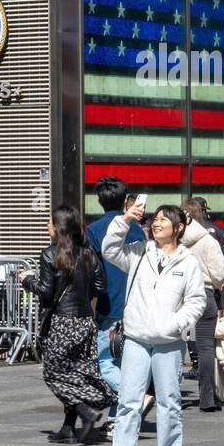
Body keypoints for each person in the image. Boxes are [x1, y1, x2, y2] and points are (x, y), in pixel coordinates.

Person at [101, 203, 206, 446]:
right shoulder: (139, 252)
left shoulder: (188, 261)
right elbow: (109, 250)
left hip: (169, 341)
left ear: (179, 228)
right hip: (136, 337)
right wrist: (124, 219)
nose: (157, 223)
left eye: (164, 220)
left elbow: (197, 301)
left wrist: (175, 324)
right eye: (155, 219)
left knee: (169, 400)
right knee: (128, 401)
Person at [22, 205, 114, 444]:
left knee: (54, 374)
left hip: (62, 322)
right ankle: (68, 427)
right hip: (85, 321)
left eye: (49, 223)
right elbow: (101, 287)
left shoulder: (50, 254)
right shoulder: (88, 253)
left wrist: (28, 280)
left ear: (59, 227)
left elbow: (44, 292)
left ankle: (86, 411)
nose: (47, 227)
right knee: (77, 372)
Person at [85, 176, 143, 425]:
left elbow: (89, 268)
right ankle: (115, 419)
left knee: (105, 361)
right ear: (125, 201)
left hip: (109, 302)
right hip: (134, 301)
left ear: (99, 201)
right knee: (123, 361)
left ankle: (135, 397)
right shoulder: (137, 229)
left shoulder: (94, 230)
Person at [180, 199, 224, 412]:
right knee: (206, 348)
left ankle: (169, 395)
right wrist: (217, 283)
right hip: (204, 296)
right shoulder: (208, 240)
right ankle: (207, 398)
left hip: (179, 300)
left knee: (178, 348)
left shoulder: (174, 242)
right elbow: (219, 273)